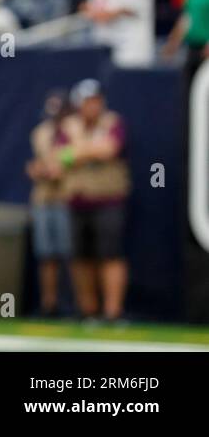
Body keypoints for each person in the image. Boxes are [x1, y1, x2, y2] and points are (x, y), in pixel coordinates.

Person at [59, 79, 130, 322]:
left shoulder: (112, 122)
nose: (92, 106)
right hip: (77, 200)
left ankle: (112, 312)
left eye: (96, 101)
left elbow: (109, 150)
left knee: (110, 255)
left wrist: (79, 149)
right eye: (88, 102)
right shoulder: (69, 125)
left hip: (108, 199)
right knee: (81, 258)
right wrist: (89, 149)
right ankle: (87, 310)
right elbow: (61, 158)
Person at [25, 90, 71, 317]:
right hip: (43, 198)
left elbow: (70, 161)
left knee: (70, 254)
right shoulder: (41, 133)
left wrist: (58, 169)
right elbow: (38, 164)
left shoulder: (75, 129)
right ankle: (49, 304)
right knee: (46, 255)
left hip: (68, 198)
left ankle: (73, 304)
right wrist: (37, 170)